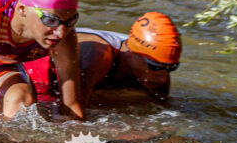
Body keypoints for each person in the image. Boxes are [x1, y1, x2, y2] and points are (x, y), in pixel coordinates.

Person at [22, 12, 182, 105]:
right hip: (31, 65)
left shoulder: (160, 67)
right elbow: (72, 113)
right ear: (133, 53)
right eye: (154, 67)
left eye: (171, 68)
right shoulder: (97, 55)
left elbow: (162, 108)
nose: (163, 77)